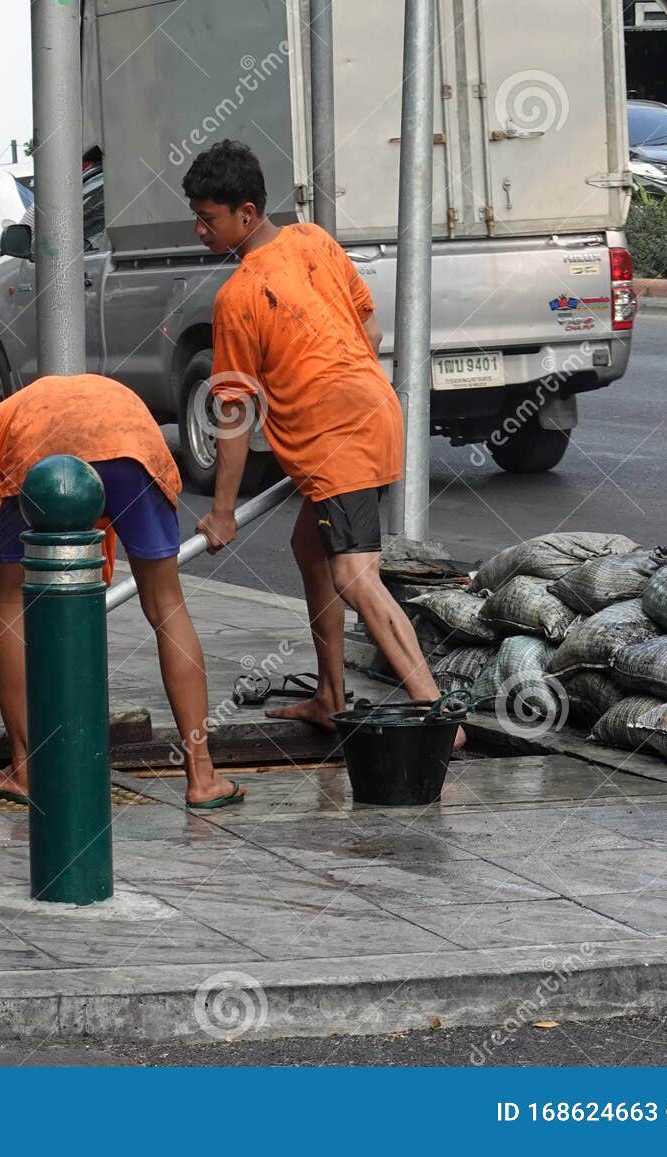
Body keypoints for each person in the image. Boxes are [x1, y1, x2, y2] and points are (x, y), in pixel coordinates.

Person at [183, 140, 460, 744]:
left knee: (356, 577)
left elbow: (233, 414)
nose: (199, 228)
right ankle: (331, 695)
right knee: (311, 548)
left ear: (247, 214)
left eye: (210, 218)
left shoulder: (238, 297)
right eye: (197, 215)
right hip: (371, 413)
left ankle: (437, 716)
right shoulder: (312, 241)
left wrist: (223, 512)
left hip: (340, 442)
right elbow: (370, 326)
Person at [0, 374, 244, 809]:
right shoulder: (71, 395)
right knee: (167, 605)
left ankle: (25, 769)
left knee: (11, 599)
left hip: (42, 449)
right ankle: (203, 776)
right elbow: (97, 525)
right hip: (133, 442)